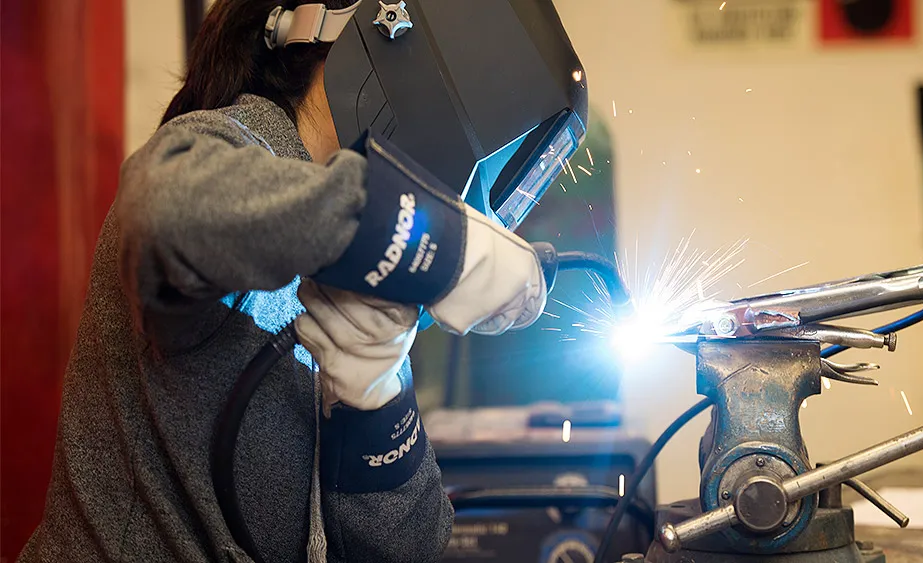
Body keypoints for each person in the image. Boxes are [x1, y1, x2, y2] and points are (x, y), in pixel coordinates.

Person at [18, 0, 587, 561]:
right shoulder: (228, 147)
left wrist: (379, 403)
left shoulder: (362, 260)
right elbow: (163, 208)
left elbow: (407, 545)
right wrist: (413, 232)